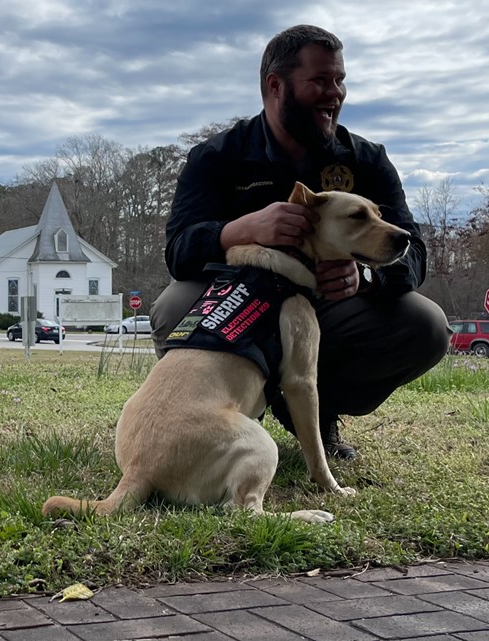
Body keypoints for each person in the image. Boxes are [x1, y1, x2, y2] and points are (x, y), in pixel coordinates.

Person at [150, 24, 450, 460]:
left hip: (326, 306)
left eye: (340, 80)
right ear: (276, 85)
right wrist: (243, 228)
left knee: (426, 324)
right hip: (239, 300)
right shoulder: (217, 157)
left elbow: (413, 254)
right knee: (173, 308)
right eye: (320, 81)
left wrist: (362, 276)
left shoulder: (365, 161)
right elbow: (179, 251)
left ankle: (318, 413)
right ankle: (214, 421)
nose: (335, 94)